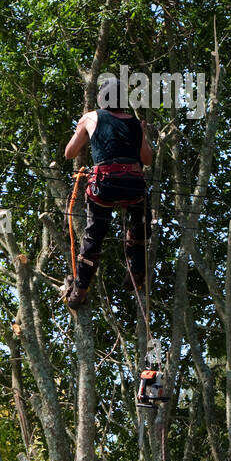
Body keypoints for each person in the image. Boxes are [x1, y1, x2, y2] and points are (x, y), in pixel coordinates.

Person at [61, 103, 153, 310]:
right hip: (133, 185)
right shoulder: (135, 124)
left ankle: (81, 289)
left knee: (94, 235)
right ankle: (136, 274)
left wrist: (83, 131)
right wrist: (142, 133)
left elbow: (69, 153)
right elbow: (147, 159)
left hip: (104, 185)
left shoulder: (90, 117)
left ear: (103, 101)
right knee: (140, 227)